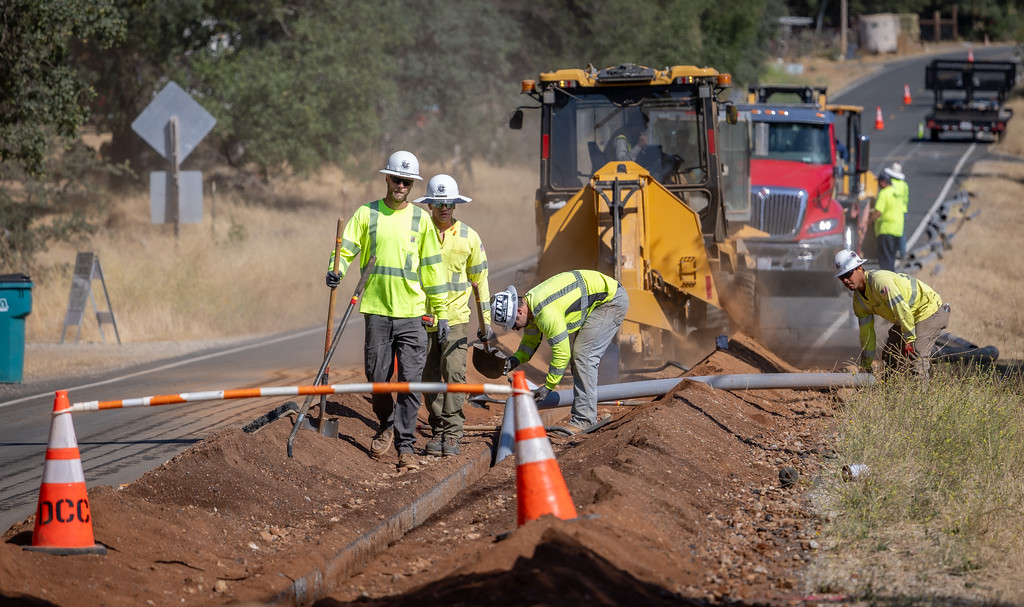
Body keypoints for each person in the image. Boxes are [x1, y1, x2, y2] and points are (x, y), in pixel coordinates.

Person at [325, 151, 449, 471]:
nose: (401, 185)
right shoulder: (367, 213)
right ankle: (388, 422)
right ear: (387, 178)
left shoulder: (422, 219)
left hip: (413, 313)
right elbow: (347, 247)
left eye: (407, 181)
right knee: (377, 376)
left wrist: (441, 311)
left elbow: (434, 269)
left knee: (410, 380)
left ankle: (405, 445)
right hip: (377, 310)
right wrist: (336, 269)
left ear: (412, 185)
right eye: (396, 179)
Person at [491, 270, 629, 434]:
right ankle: (585, 413)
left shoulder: (545, 313)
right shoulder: (531, 304)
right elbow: (530, 342)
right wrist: (514, 360)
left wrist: (548, 387)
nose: (515, 328)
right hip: (600, 299)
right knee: (581, 356)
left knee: (583, 357)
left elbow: (562, 354)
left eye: (514, 323)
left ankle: (584, 420)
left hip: (609, 301)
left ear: (519, 311)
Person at [413, 174, 492, 458]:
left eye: (448, 203)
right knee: (429, 375)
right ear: (429, 206)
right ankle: (437, 430)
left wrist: (487, 323)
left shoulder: (470, 238)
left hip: (457, 318)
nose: (443, 208)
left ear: (455, 205)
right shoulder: (419, 234)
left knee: (455, 374)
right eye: (438, 203)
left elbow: (480, 281)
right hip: (424, 319)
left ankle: (453, 433)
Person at [834, 249, 950, 383]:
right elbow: (867, 335)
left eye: (848, 274)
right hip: (908, 317)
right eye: (842, 277)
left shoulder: (880, 282)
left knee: (915, 356)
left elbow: (901, 309)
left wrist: (909, 339)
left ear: (859, 268)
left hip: (928, 310)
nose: (846, 280)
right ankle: (890, 397)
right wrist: (866, 365)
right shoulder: (859, 302)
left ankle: (920, 402)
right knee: (890, 354)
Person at [870, 169, 903, 271]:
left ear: (884, 182)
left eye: (879, 182)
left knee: (885, 260)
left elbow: (878, 212)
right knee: (891, 258)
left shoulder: (884, 193)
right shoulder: (896, 193)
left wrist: (869, 222)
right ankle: (892, 278)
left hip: (886, 229)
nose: (879, 185)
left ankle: (887, 281)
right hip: (897, 230)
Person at [886, 162, 910, 258]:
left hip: (893, 210)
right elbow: (906, 199)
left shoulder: (891, 184)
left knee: (891, 232)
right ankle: (903, 252)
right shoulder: (904, 185)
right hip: (903, 210)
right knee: (901, 232)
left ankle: (893, 251)